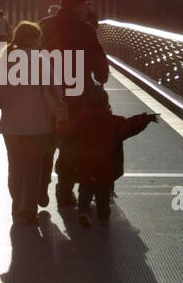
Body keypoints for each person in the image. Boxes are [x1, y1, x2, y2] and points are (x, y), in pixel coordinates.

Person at [0, 20, 66, 225]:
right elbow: (52, 93)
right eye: (38, 38)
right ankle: (27, 210)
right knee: (32, 169)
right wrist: (62, 117)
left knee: (15, 166)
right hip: (38, 127)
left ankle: (16, 204)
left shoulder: (7, 60)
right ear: (33, 38)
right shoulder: (41, 60)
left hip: (10, 126)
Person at [39, 0, 109, 208]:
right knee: (71, 143)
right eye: (86, 4)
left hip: (46, 93)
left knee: (45, 142)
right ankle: (65, 190)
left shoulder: (44, 25)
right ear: (78, 5)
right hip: (76, 96)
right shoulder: (86, 30)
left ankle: (41, 186)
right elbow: (99, 65)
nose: (89, 7)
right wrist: (100, 75)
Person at [60, 83, 157, 227]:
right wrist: (145, 118)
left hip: (84, 164)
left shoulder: (79, 121)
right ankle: (103, 215)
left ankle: (84, 211)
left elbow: (66, 134)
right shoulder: (114, 121)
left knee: (85, 189)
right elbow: (130, 125)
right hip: (105, 165)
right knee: (103, 192)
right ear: (106, 103)